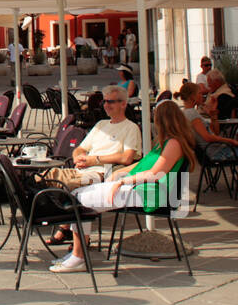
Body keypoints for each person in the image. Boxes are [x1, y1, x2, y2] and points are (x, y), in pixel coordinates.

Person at [51, 100, 198, 273]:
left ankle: (78, 256)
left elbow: (155, 173)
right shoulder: (164, 143)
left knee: (80, 199)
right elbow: (141, 165)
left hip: (148, 193)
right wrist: (117, 175)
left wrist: (122, 181)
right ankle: (78, 255)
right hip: (141, 189)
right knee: (77, 194)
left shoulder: (173, 144)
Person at [36, 85, 141, 245]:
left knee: (61, 183)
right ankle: (62, 224)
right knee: (46, 178)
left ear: (123, 104)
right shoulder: (101, 125)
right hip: (83, 169)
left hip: (102, 173)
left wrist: (94, 160)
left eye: (111, 102)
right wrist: (78, 156)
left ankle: (63, 226)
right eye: (105, 102)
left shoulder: (130, 128)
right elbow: (81, 148)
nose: (106, 105)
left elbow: (127, 158)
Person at [178, 82, 238, 161]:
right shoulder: (192, 113)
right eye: (199, 94)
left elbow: (215, 132)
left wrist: (213, 113)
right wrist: (231, 141)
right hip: (216, 152)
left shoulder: (185, 113)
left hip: (210, 152)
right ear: (192, 97)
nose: (202, 96)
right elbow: (207, 137)